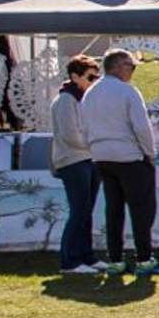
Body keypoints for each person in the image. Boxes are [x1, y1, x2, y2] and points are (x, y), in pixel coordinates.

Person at [82, 48, 159, 274]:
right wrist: (150, 153)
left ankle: (115, 259)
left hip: (101, 156)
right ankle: (144, 258)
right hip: (129, 156)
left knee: (113, 209)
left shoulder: (91, 93)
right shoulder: (128, 92)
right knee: (141, 209)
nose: (133, 71)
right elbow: (142, 127)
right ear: (117, 66)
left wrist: (95, 149)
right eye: (131, 66)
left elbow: (84, 126)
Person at [48, 55, 101, 274]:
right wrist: (95, 145)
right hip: (73, 160)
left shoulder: (84, 98)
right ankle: (69, 260)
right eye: (90, 76)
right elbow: (71, 135)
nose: (94, 80)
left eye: (97, 76)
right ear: (75, 76)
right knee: (79, 210)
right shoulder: (65, 100)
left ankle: (86, 256)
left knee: (87, 210)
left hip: (89, 159)